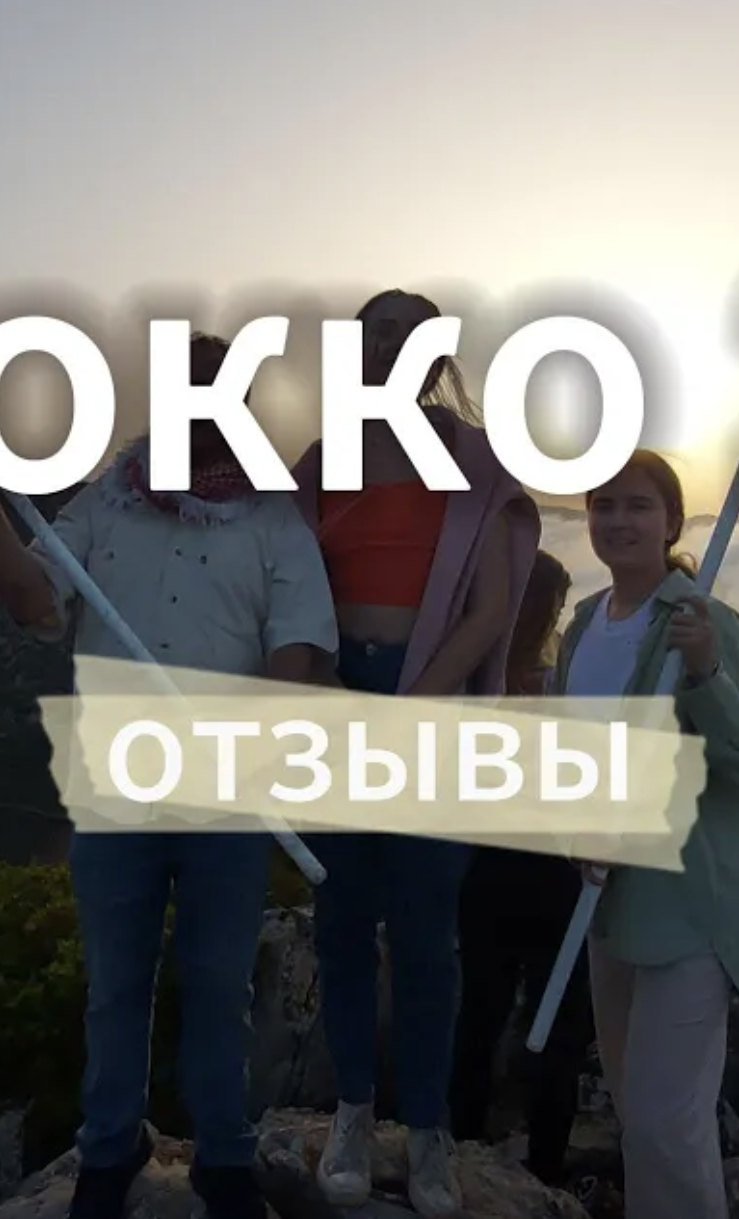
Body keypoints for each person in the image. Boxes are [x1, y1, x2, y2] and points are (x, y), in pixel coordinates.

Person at [0, 332, 338, 1219]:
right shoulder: (107, 504)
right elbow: (34, 601)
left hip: (226, 799)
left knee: (219, 989)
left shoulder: (276, 522)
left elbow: (299, 648)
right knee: (115, 986)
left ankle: (224, 1159)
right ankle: (109, 1150)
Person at [287, 288, 539, 1215]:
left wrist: (414, 704)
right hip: (337, 701)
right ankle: (355, 1112)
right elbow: (287, 582)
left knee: (428, 933)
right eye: (373, 332)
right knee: (344, 921)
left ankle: (428, 1133)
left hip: (429, 704)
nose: (386, 346)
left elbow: (493, 609)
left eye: (406, 334)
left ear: (435, 356)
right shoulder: (324, 461)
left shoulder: (474, 462)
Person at [547, 450, 739, 1218]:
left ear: (672, 522)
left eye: (639, 505)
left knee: (665, 1125)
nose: (619, 520)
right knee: (642, 1122)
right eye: (604, 504)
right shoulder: (584, 624)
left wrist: (707, 673)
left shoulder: (703, 625)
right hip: (609, 907)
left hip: (690, 907)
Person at [445, 551, 593, 1188]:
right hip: (554, 875)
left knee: (481, 1016)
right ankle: (545, 1166)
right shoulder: (556, 689)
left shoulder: (479, 685)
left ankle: (461, 1148)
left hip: (487, 872)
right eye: (553, 604)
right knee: (554, 1026)